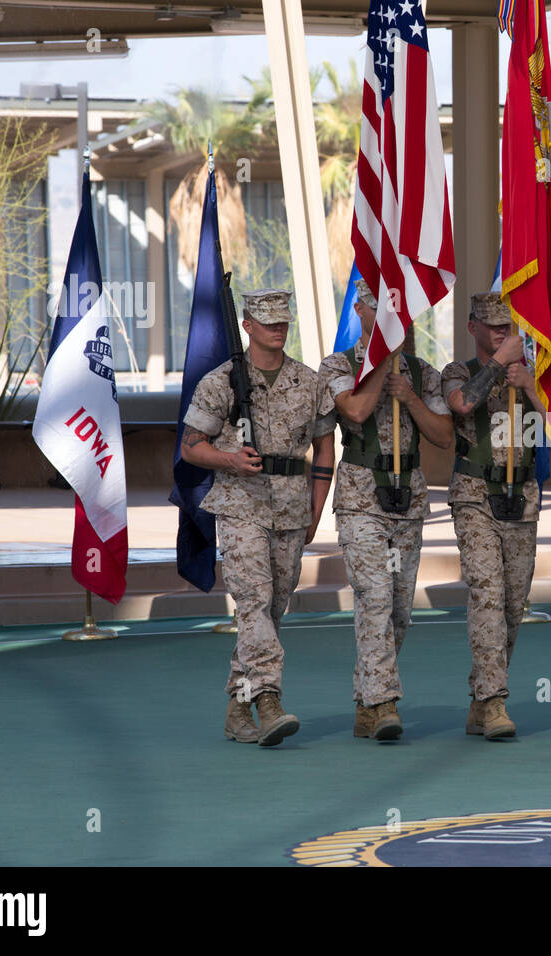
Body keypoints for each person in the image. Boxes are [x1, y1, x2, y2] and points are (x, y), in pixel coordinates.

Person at [179, 289, 336, 747]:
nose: (277, 328)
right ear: (247, 325)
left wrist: (316, 506)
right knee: (252, 602)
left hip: (290, 505)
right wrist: (229, 459)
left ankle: (236, 707)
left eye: (283, 321)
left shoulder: (308, 382)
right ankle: (268, 700)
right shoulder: (222, 382)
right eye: (268, 322)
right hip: (240, 505)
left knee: (270, 609)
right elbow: (191, 446)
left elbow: (325, 446)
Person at [321, 278, 453, 741]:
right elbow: (354, 412)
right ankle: (383, 703)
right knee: (374, 597)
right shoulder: (338, 364)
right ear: (359, 310)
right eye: (379, 311)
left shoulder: (422, 373)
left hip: (408, 497)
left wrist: (409, 395)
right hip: (361, 498)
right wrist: (380, 368)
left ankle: (367, 700)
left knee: (399, 609)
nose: (390, 322)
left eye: (398, 314)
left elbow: (443, 436)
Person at [442, 292, 546, 739]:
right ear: (473, 327)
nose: (502, 333)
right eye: (492, 325)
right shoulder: (458, 372)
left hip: (521, 493)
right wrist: (498, 364)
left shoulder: (534, 375)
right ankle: (495, 700)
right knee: (487, 594)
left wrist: (529, 387)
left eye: (508, 326)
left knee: (513, 603)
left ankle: (481, 698)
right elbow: (461, 404)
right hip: (475, 494)